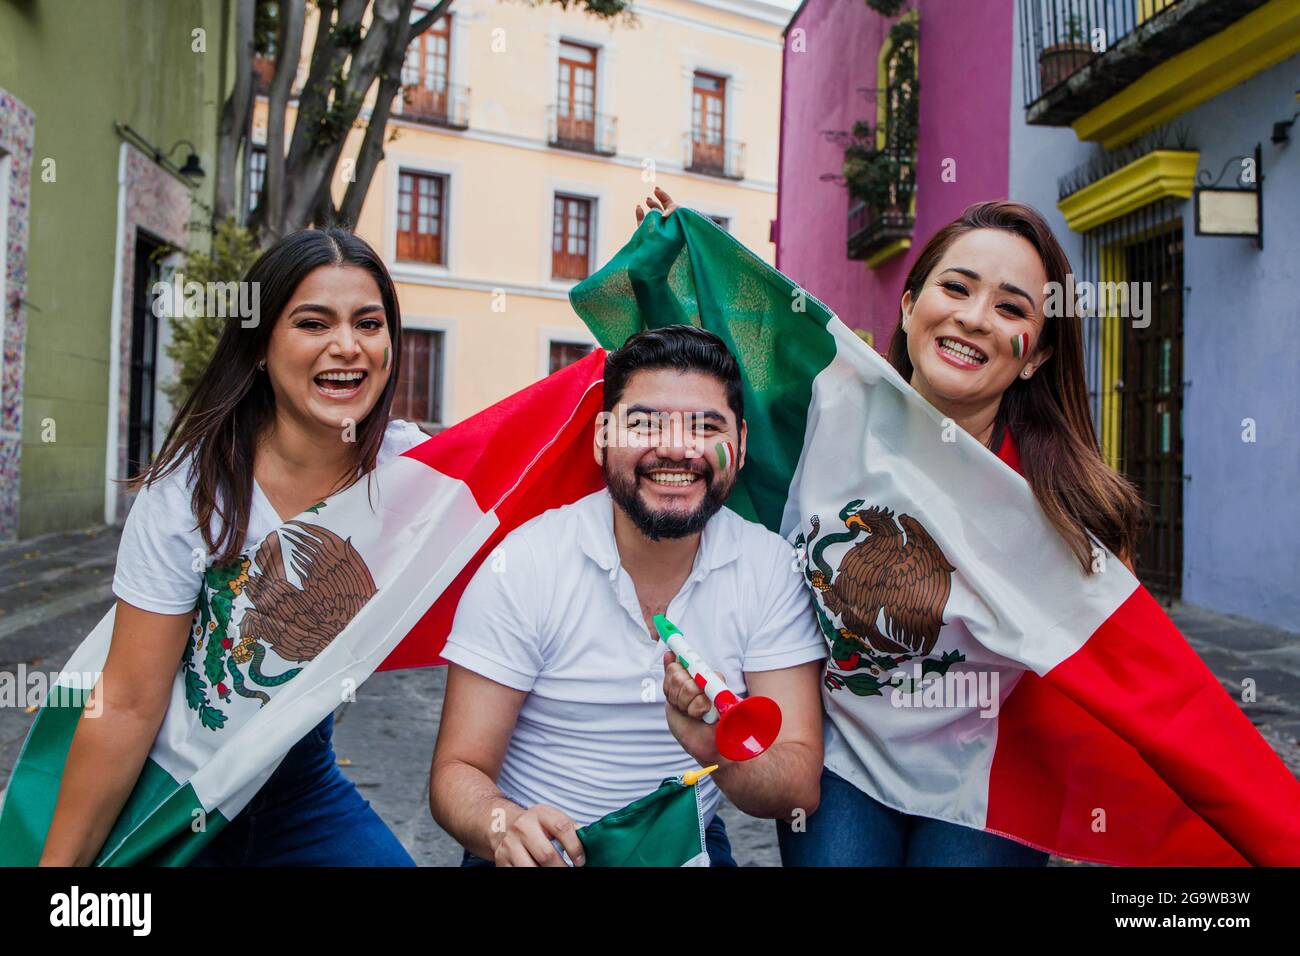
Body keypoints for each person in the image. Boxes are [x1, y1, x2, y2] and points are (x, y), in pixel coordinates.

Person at [766, 198, 1146, 866]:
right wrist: (669, 264)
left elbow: (1121, 674)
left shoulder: (1068, 505)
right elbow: (702, 389)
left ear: (1035, 355)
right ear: (910, 307)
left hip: (990, 779)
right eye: (957, 287)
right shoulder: (817, 412)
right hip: (843, 758)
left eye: (1011, 308)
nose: (974, 318)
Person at [38, 228, 424, 867]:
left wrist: (641, 296)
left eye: (369, 322)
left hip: (301, 791)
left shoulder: (420, 473)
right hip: (174, 799)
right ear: (260, 350)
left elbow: (564, 453)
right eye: (312, 322)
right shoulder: (190, 492)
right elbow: (130, 703)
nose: (347, 346)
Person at [429, 324, 827, 866]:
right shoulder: (523, 563)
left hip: (685, 848)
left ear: (739, 445)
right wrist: (503, 826)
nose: (676, 449)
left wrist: (717, 747)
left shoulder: (770, 568)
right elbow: (457, 771)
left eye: (706, 425)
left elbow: (797, 785)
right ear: (601, 437)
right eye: (644, 423)